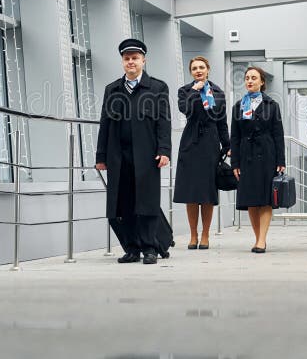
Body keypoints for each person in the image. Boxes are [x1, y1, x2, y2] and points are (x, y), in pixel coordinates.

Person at [96, 38, 171, 265]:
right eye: (127, 58)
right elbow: (105, 124)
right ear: (122, 62)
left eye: (135, 58)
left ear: (143, 60)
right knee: (122, 203)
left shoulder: (157, 87)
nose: (131, 62)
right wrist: (101, 156)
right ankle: (131, 248)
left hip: (147, 156)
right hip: (118, 156)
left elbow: (163, 122)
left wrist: (164, 150)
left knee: (146, 203)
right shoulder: (112, 89)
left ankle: (150, 248)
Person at [174, 56, 230, 250]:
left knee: (207, 192)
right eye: (194, 68)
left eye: (201, 67)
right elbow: (185, 110)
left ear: (208, 70)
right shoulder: (184, 90)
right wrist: (194, 91)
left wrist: (227, 145)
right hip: (190, 142)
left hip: (210, 144)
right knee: (191, 192)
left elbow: (222, 122)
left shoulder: (218, 92)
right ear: (191, 72)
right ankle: (193, 235)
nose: (198, 70)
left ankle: (205, 234)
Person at [230, 66, 285, 254]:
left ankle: (262, 240)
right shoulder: (238, 106)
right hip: (246, 157)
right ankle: (258, 238)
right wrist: (234, 163)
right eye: (247, 78)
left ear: (262, 82)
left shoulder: (272, 105)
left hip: (267, 156)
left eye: (254, 78)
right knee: (251, 200)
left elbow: (278, 134)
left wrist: (281, 160)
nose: (249, 81)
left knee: (265, 200)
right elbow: (234, 137)